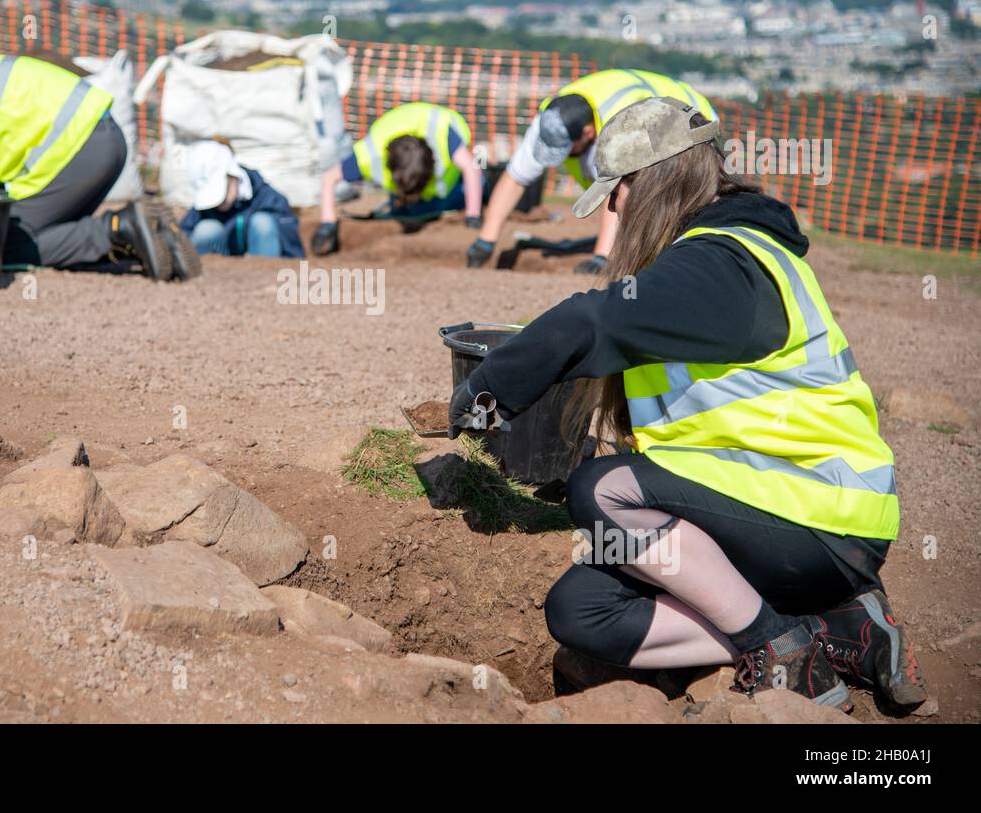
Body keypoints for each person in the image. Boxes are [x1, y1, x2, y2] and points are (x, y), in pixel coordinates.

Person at [448, 97, 926, 709]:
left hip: (823, 515)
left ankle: (777, 652)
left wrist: (484, 395)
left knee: (603, 490)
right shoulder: (709, 260)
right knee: (582, 610)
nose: (613, 215)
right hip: (763, 507)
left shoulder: (723, 263)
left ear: (649, 184)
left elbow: (586, 322)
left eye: (614, 196)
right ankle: (830, 631)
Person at [0, 52, 196, 282]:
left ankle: (116, 229)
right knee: (48, 228)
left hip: (77, 146)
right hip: (106, 136)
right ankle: (142, 237)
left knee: (5, 244)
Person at [467, 69, 716, 274]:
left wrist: (602, 257)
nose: (562, 155)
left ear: (587, 134)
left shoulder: (620, 126)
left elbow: (618, 187)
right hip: (640, 110)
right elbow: (515, 178)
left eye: (567, 148)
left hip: (688, 119)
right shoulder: (551, 120)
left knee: (672, 205)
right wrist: (485, 241)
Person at [312, 101, 483, 256]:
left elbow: (473, 168)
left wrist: (472, 217)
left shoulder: (443, 136)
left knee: (471, 184)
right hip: (401, 181)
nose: (413, 196)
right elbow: (329, 178)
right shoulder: (369, 155)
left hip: (450, 180)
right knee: (407, 212)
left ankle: (487, 185)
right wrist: (328, 224)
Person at [178, 141, 305, 259]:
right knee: (207, 229)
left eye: (222, 192)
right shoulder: (205, 209)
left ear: (235, 177)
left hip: (263, 272)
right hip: (223, 276)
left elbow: (291, 244)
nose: (218, 204)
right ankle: (202, 280)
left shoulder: (266, 198)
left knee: (263, 222)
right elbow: (184, 234)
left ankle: (266, 276)